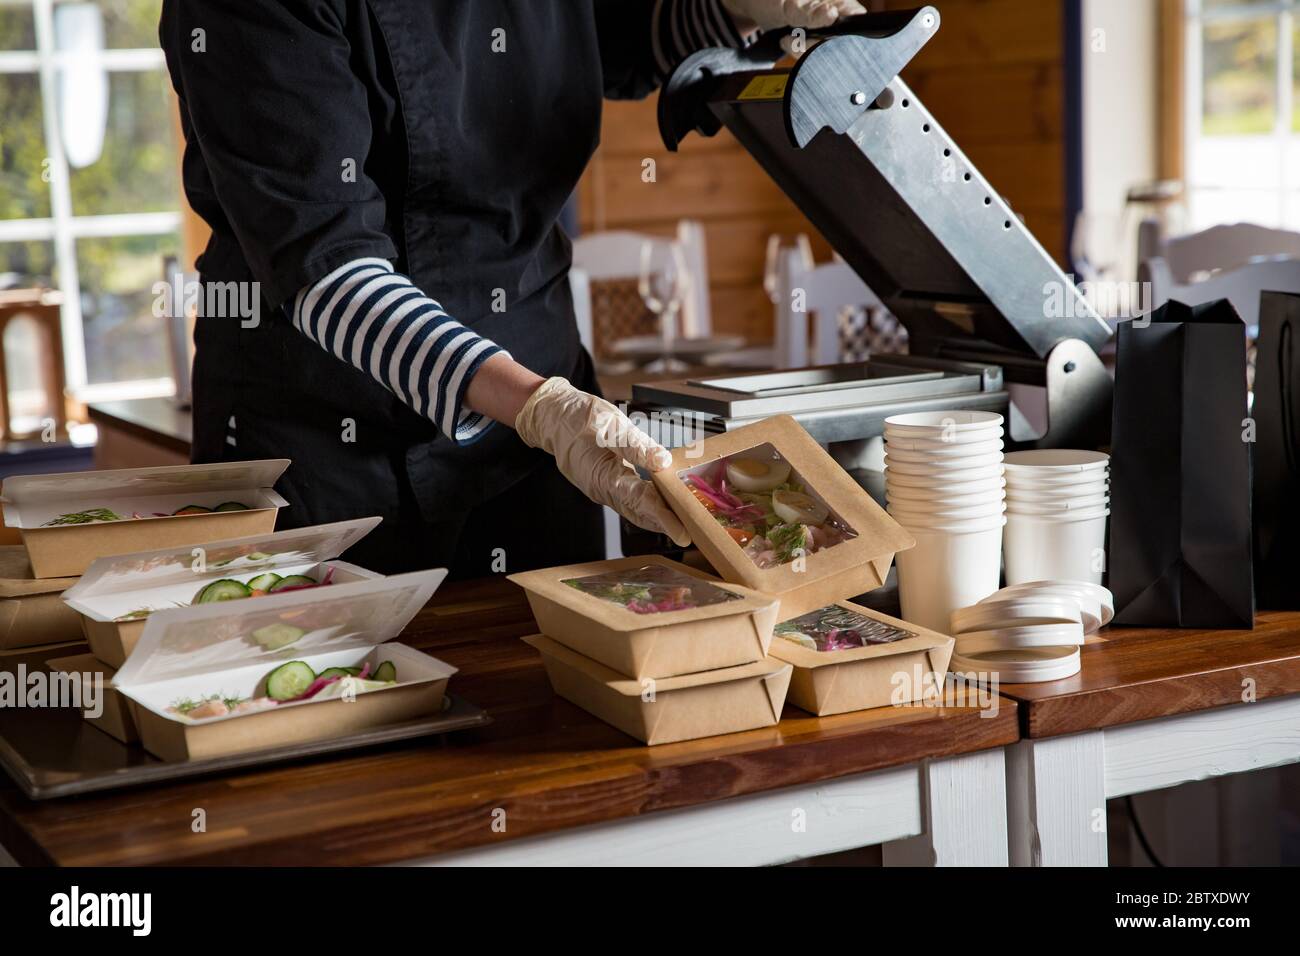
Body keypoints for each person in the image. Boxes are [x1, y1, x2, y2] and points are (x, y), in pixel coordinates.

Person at [160, 0, 865, 575]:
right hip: (321, 430)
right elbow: (326, 267)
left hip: (530, 430)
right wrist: (542, 408)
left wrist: (730, 9)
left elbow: (618, 43)